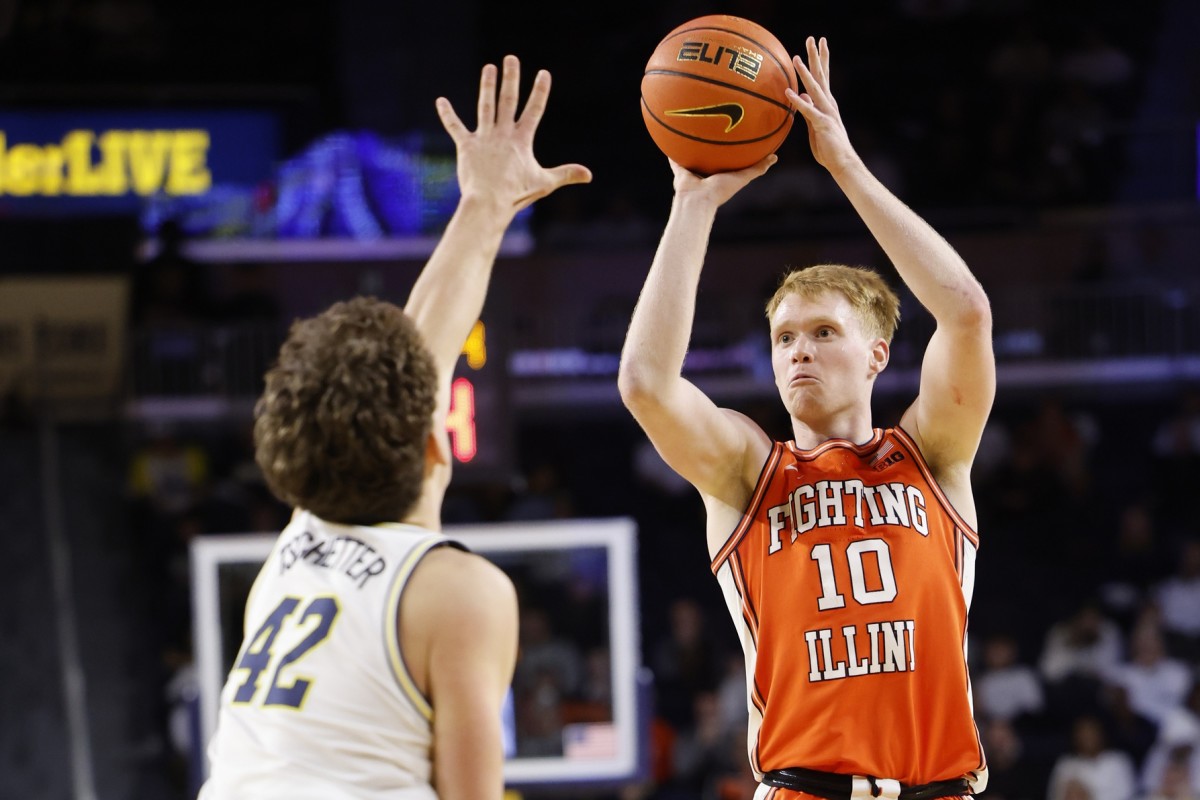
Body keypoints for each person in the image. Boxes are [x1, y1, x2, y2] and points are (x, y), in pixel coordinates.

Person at [197, 55, 590, 800]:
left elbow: (422, 347)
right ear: (436, 445)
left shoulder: (297, 546)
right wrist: (482, 202)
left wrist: (484, 206)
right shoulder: (460, 591)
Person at [618, 36, 995, 799]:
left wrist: (846, 167)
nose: (799, 352)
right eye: (784, 337)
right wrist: (691, 205)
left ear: (878, 355)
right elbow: (647, 384)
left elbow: (965, 314)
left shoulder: (934, 454)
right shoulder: (748, 472)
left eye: (824, 333)